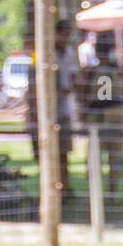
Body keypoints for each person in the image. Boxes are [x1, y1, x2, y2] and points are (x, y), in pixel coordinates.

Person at [86, 41, 123, 196]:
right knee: (109, 156)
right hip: (109, 119)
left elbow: (104, 97)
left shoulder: (105, 72)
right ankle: (109, 192)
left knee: (105, 156)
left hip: (104, 119)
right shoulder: (113, 71)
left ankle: (109, 192)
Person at [55, 19, 78, 192]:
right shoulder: (47, 53)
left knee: (64, 150)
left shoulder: (69, 52)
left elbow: (73, 78)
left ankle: (66, 185)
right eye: (65, 34)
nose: (67, 38)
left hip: (65, 108)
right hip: (49, 109)